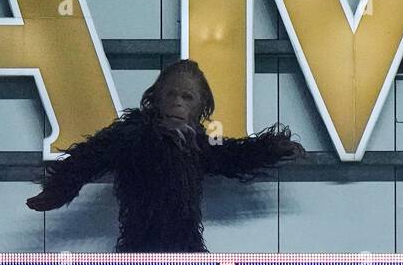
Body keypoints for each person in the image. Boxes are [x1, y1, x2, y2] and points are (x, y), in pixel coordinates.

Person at [26, 58, 305, 252]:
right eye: (171, 95)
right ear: (156, 99)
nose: (177, 103)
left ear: (200, 109)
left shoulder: (197, 142)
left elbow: (233, 156)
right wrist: (56, 192)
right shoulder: (133, 133)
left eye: (187, 98)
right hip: (139, 247)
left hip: (185, 247)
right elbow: (88, 158)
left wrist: (274, 148)